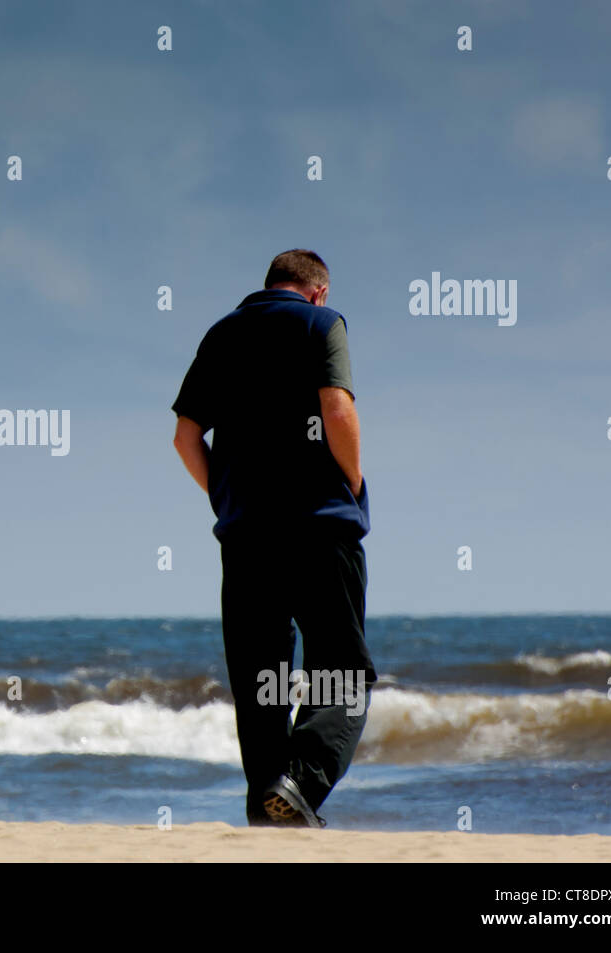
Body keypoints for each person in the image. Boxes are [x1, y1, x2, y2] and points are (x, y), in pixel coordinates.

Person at [171, 249, 377, 828]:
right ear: (318, 290)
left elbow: (186, 437)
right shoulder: (321, 323)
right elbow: (336, 409)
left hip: (246, 538)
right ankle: (302, 783)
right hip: (319, 524)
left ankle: (270, 807)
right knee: (342, 670)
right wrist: (353, 482)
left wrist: (226, 497)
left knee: (261, 676)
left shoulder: (222, 333)